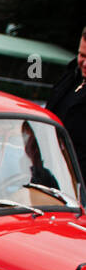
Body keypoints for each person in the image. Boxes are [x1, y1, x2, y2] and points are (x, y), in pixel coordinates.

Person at [46, 26, 86, 181]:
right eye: (81, 55)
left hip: (76, 183)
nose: (84, 63)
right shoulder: (71, 75)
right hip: (46, 170)